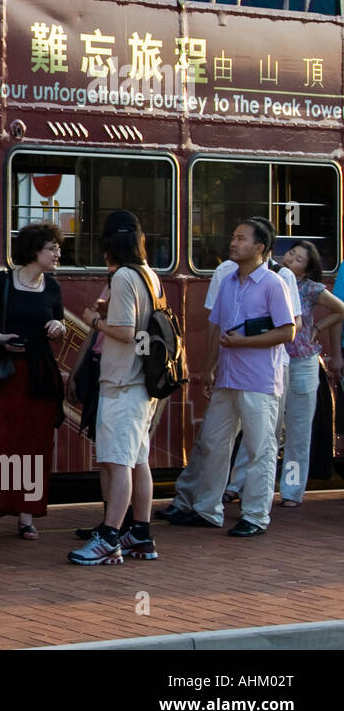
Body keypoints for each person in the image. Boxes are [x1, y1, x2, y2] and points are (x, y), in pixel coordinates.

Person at [160, 216, 299, 517]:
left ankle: (255, 516)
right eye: (233, 237)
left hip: (259, 381)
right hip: (227, 378)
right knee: (212, 443)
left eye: (241, 238)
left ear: (259, 247)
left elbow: (288, 331)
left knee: (259, 449)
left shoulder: (274, 284)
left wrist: (243, 342)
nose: (233, 243)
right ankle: (207, 510)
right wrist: (209, 368)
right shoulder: (228, 281)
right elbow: (216, 327)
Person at [0, 222, 65, 540]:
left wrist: (59, 327)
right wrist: (0, 336)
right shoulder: (2, 281)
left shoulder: (53, 287)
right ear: (34, 251)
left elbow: (58, 323)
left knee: (35, 444)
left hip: (41, 375)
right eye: (52, 248)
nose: (58, 253)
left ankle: (26, 516)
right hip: (6, 373)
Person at [68, 211, 161, 565]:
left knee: (116, 462)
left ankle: (109, 537)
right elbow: (140, 327)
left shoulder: (123, 276)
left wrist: (95, 320)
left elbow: (124, 331)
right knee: (138, 461)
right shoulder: (149, 275)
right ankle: (141, 533)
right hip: (141, 381)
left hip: (121, 381)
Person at [225, 241, 344, 508]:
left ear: (307, 267)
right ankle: (236, 484)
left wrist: (317, 329)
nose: (291, 258)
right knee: (261, 428)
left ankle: (291, 491)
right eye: (291, 253)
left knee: (298, 432)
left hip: (302, 363)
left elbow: (340, 309)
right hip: (275, 362)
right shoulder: (272, 280)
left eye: (299, 258)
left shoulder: (312, 289)